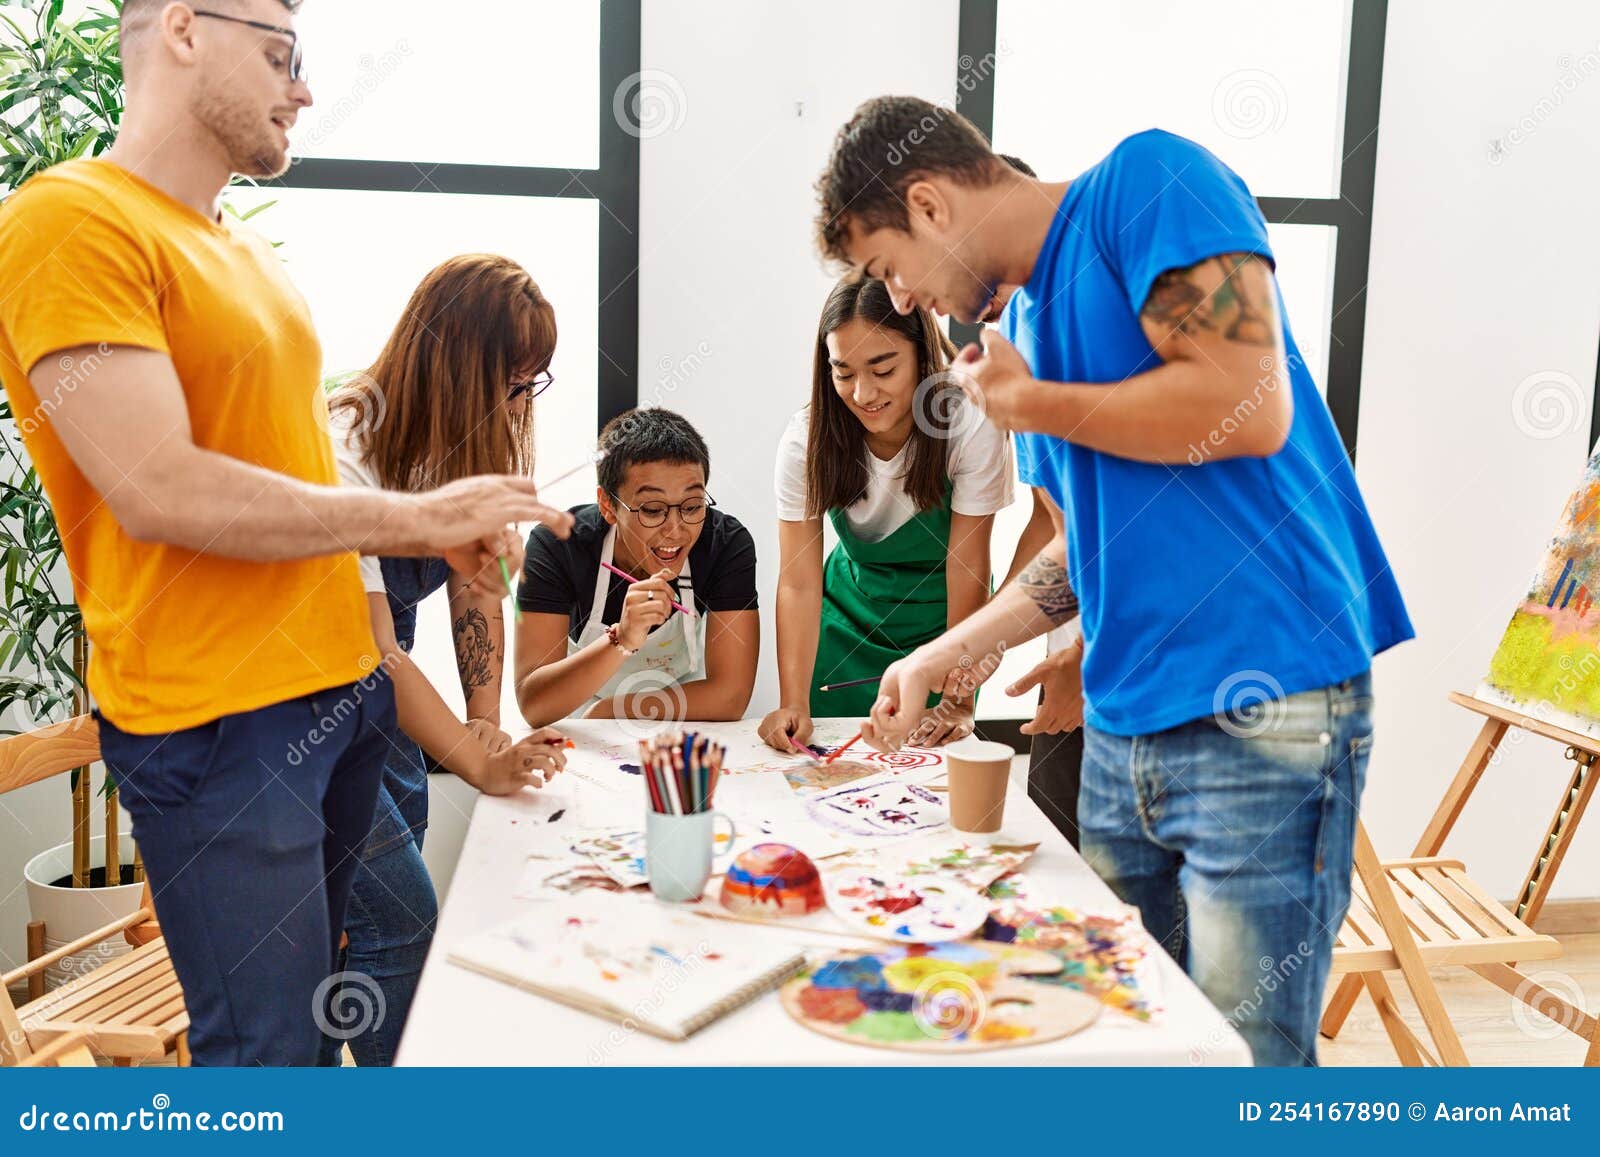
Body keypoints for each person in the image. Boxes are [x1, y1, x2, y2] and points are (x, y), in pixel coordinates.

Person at [0, 0, 570, 1065]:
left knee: (313, 1039)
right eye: (280, 55)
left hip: (342, 699)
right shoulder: (70, 219)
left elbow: (291, 484)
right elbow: (157, 486)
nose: (303, 89)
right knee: (264, 1057)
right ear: (182, 29)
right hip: (220, 722)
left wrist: (437, 570)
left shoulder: (247, 257)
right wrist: (417, 516)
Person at [814, 96, 1413, 1065]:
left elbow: (1247, 399)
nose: (905, 296)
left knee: (1246, 1059)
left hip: (1262, 700)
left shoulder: (1146, 183)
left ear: (927, 204)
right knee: (1115, 1040)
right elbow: (1076, 553)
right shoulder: (1025, 325)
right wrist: (940, 654)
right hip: (1120, 729)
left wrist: (1032, 402)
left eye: (890, 267)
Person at [317, 255, 572, 1066]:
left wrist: (484, 722)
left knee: (360, 925)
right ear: (455, 366)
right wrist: (476, 762)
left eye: (531, 384)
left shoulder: (470, 438)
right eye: (511, 383)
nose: (520, 403)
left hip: (384, 707)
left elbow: (476, 586)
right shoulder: (345, 442)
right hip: (311, 706)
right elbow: (374, 651)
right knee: (399, 920)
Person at [758, 276, 1013, 752]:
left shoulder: (969, 420)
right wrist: (792, 701)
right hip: (845, 626)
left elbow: (968, 566)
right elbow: (798, 582)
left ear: (921, 354)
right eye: (843, 373)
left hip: (944, 633)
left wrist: (958, 697)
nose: (862, 393)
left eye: (883, 369)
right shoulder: (805, 439)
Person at [516, 409, 759, 725]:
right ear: (608, 506)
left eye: (692, 506)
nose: (676, 530)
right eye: (653, 510)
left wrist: (614, 710)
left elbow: (730, 697)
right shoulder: (558, 544)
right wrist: (622, 639)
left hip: (680, 714)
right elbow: (534, 705)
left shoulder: (724, 543)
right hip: (580, 719)